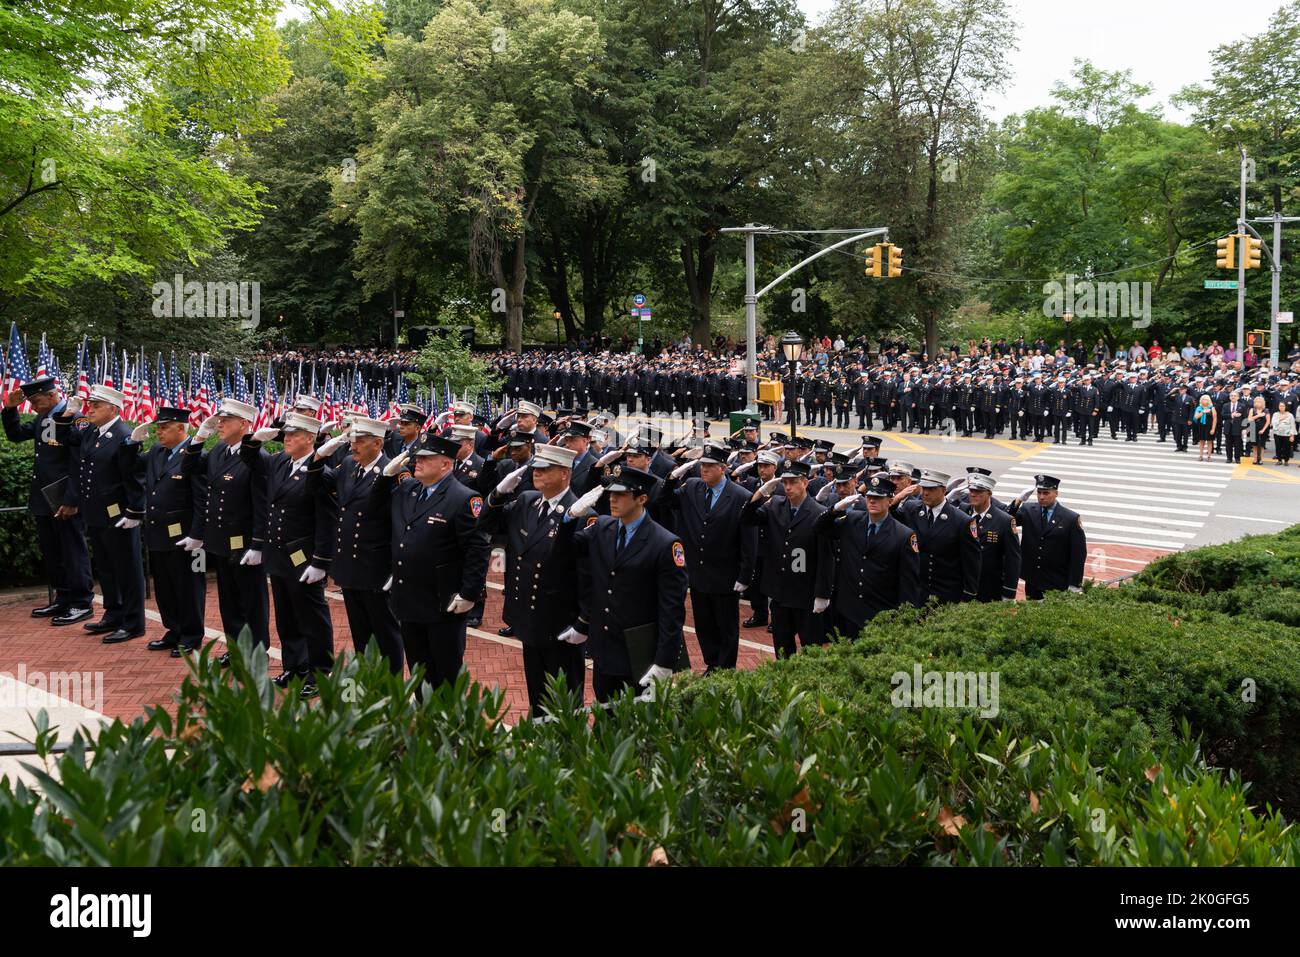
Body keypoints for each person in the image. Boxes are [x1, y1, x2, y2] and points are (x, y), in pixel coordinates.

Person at [373, 432, 490, 692]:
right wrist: (384, 479)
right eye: (417, 458)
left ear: (446, 465)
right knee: (419, 669)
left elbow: (477, 549)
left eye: (426, 459)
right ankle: (426, 719)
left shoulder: (464, 498)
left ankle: (449, 726)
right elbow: (374, 507)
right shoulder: (408, 489)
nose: (418, 462)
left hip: (442, 602)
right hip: (408, 598)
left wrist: (469, 593)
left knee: (446, 672)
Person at [563, 466, 689, 702]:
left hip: (639, 654)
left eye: (621, 494)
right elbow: (564, 552)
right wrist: (569, 518)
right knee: (606, 721)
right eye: (611, 493)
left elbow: (671, 610)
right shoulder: (602, 527)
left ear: (641, 499)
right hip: (605, 651)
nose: (612, 499)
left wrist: (665, 661)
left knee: (638, 728)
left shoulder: (665, 544)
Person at [478, 442, 586, 716]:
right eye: (536, 469)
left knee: (563, 699)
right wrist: (498, 493)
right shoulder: (527, 501)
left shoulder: (579, 514)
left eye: (544, 469)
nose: (536, 474)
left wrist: (583, 622)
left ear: (564, 474)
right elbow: (486, 524)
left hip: (559, 621)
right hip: (527, 616)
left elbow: (588, 577)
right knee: (537, 691)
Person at [241, 412, 337, 696]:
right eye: (286, 434)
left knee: (312, 617)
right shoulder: (281, 462)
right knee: (286, 615)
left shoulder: (321, 472)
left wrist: (320, 561)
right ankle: (295, 666)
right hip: (279, 553)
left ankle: (320, 672)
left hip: (303, 555)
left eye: (294, 435)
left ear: (310, 438)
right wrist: (254, 440)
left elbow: (327, 520)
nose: (287, 439)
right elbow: (252, 460)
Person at [181, 397, 270, 665]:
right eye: (220, 419)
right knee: (229, 601)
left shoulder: (256, 458)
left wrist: (257, 544)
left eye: (226, 420)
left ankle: (256, 651)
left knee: (251, 601)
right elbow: (189, 469)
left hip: (244, 540)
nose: (220, 423)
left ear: (244, 424)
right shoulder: (219, 451)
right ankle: (236, 648)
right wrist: (199, 438)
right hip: (220, 539)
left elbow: (262, 504)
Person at [314, 416, 404, 674]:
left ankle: (390, 686)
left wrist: (393, 570)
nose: (353, 446)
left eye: (360, 441)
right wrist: (319, 457)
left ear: (377, 443)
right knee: (360, 631)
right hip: (350, 565)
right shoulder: (348, 467)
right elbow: (314, 486)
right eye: (352, 441)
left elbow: (398, 525)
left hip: (376, 567)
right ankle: (366, 678)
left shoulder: (392, 472)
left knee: (385, 632)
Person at [2, 376, 94, 624]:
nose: (31, 406)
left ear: (52, 395)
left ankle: (81, 602)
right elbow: (16, 435)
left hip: (65, 498)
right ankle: (62, 598)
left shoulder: (75, 418)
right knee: (53, 552)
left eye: (35, 400)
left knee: (72, 551)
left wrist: (73, 499)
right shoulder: (44, 417)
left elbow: (79, 463)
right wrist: (9, 408)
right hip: (44, 498)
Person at [120, 406, 208, 656]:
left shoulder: (196, 454)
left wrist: (198, 534)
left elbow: (202, 499)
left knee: (188, 586)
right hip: (159, 532)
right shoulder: (158, 451)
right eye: (157, 427)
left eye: (164, 428)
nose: (158, 432)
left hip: (186, 534)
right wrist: (131, 443)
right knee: (165, 587)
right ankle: (174, 630)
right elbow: (130, 468)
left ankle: (191, 635)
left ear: (181, 428)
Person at [663, 440, 756, 673]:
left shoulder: (741, 496)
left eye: (710, 466)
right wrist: (671, 479)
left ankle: (726, 667)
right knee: (704, 624)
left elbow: (749, 541)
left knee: (726, 625)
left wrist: (745, 575)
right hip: (697, 571)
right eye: (702, 465)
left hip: (725, 572)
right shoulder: (692, 487)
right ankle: (712, 663)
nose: (704, 469)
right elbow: (666, 500)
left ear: (723, 468)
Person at [64, 385, 147, 644]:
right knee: (107, 568)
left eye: (96, 406)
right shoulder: (92, 431)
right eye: (90, 405)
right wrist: (68, 415)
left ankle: (133, 623)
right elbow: (69, 439)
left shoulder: (124, 435)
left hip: (118, 514)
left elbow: (134, 477)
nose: (90, 409)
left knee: (127, 569)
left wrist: (134, 511)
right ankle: (113, 613)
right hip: (96, 513)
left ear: (113, 409)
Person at [741, 459, 835, 658]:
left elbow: (826, 558)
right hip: (780, 593)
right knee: (783, 651)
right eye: (785, 482)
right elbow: (748, 519)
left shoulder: (818, 513)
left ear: (805, 483)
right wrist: (759, 495)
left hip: (806, 595)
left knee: (811, 652)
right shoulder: (775, 505)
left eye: (794, 482)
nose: (788, 487)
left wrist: (823, 594)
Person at [813, 473, 919, 636]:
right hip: (847, 611)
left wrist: (904, 621)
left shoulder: (904, 535)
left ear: (890, 501)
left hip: (880, 613)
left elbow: (908, 583)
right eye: (869, 497)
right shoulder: (851, 520)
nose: (872, 501)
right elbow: (818, 528)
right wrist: (834, 510)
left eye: (878, 498)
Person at [894, 468, 981, 605]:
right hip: (915, 592)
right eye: (924, 488)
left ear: (943, 490)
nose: (926, 493)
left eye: (932, 489)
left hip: (945, 594)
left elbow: (972, 562)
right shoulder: (912, 509)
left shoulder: (962, 521)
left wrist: (968, 596)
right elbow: (890, 522)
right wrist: (896, 500)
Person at [1013, 475, 1086, 600]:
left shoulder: (1070, 518)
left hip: (1057, 582)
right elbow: (1005, 521)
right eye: (1039, 493)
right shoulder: (1028, 510)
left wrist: (1075, 584)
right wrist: (1018, 501)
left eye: (1046, 493)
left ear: (1056, 493)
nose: (1041, 497)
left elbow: (1078, 555)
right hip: (1032, 581)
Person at [966, 473, 1020, 602]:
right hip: (963, 585)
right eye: (971, 490)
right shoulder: (961, 513)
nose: (973, 494)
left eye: (979, 491)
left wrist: (1009, 592)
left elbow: (1013, 559)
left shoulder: (1004, 521)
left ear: (989, 493)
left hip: (989, 588)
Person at [1191, 393, 1217, 462]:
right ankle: (1201, 455)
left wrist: (1213, 428)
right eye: (1202, 399)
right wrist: (1203, 412)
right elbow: (1195, 417)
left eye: (1205, 399)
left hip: (1209, 426)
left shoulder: (1212, 408)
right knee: (1201, 441)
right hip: (1201, 426)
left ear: (1208, 400)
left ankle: (1209, 456)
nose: (1204, 401)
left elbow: (1215, 419)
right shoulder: (1199, 408)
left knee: (1209, 442)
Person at [1246, 396, 1271, 465]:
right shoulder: (1252, 409)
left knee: (1262, 445)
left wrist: (1263, 430)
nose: (1257, 403)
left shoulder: (1266, 410)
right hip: (1253, 429)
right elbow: (1249, 419)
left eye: (1259, 402)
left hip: (1263, 430)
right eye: (1256, 402)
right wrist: (1258, 415)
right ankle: (1255, 459)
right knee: (1254, 445)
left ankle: (1261, 459)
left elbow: (1268, 422)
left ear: (1262, 403)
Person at [1271, 402, 1295, 466]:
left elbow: (1292, 426)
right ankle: (1279, 460)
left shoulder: (1290, 415)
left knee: (1286, 448)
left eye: (1283, 406)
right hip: (1277, 434)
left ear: (1286, 407)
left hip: (1287, 434)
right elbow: (1273, 424)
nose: (1281, 407)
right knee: (1278, 447)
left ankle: (1286, 460)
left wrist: (1292, 436)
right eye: (1280, 406)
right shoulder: (1275, 414)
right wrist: (1281, 418)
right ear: (1278, 407)